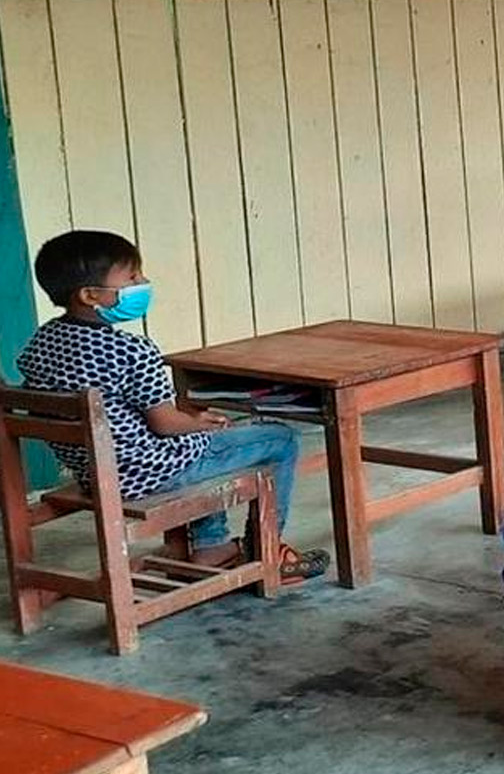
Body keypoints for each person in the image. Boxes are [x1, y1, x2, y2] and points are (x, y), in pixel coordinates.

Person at [15, 230, 329, 581]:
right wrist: (199, 421)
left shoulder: (40, 344)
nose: (143, 283)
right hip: (150, 473)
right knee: (278, 438)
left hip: (97, 473)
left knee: (202, 441)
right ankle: (266, 548)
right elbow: (164, 424)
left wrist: (191, 425)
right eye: (132, 277)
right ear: (90, 295)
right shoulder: (132, 350)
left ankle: (212, 547)